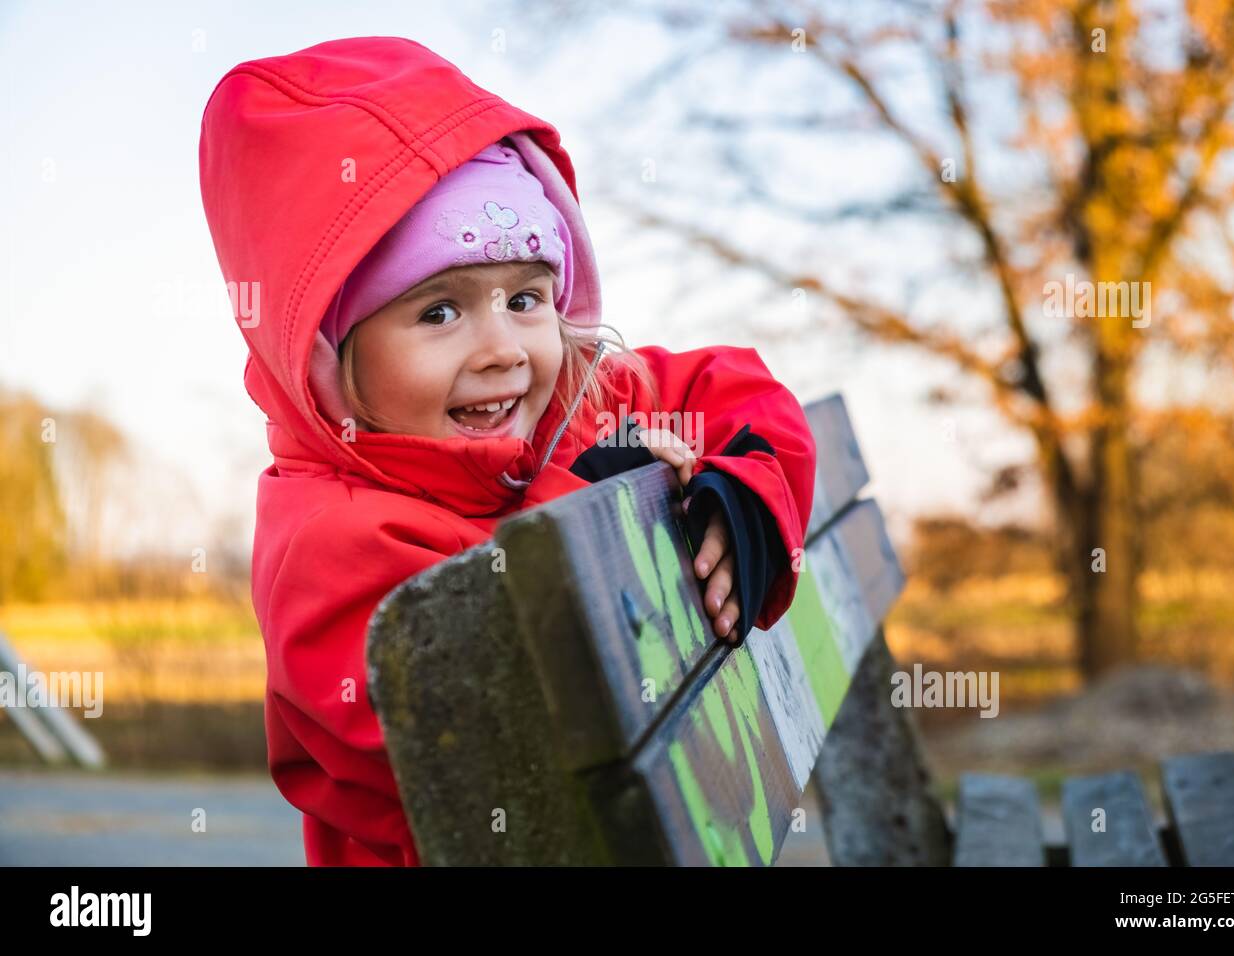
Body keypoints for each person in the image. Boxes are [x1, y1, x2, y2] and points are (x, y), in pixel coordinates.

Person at [199, 36, 816, 866]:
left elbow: (733, 388)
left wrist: (745, 493)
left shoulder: (575, 404)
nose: (503, 349)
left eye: (525, 298)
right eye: (440, 313)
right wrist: (589, 515)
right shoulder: (329, 550)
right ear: (326, 354)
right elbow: (491, 756)